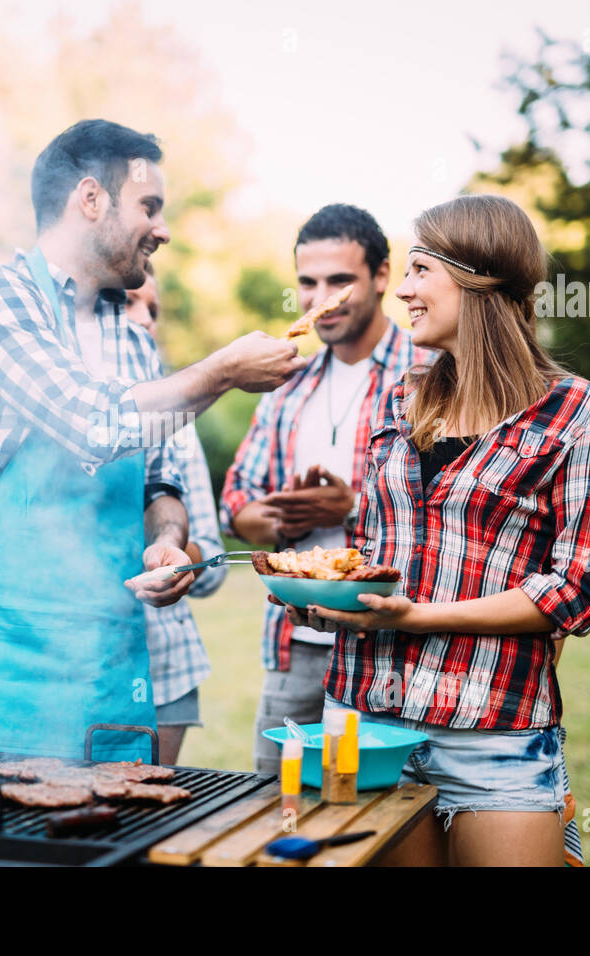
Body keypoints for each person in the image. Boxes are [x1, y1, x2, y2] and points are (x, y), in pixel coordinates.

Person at [0, 119, 306, 769]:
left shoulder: (131, 339)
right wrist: (225, 370)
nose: (164, 229)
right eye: (149, 207)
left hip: (109, 669)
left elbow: (160, 476)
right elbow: (88, 422)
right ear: (90, 200)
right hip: (3, 673)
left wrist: (168, 537)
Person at [277, 194, 590, 866]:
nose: (402, 289)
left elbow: (582, 592)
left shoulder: (576, 414)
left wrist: (419, 618)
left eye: (420, 270)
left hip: (491, 731)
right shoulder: (397, 398)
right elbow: (380, 556)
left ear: (476, 277)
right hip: (366, 724)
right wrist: (324, 591)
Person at [220, 204, 427, 773]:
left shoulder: (432, 371)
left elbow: (455, 511)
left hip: (392, 642)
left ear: (383, 276)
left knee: (383, 816)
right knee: (275, 804)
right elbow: (236, 502)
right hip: (295, 645)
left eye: (340, 281)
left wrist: (354, 507)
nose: (321, 299)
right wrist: (285, 522)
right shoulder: (288, 386)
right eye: (307, 283)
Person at [124, 262, 226, 765]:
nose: (145, 320)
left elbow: (213, 567)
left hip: (164, 675)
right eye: (128, 303)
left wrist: (175, 557)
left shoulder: (176, 424)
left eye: (154, 309)